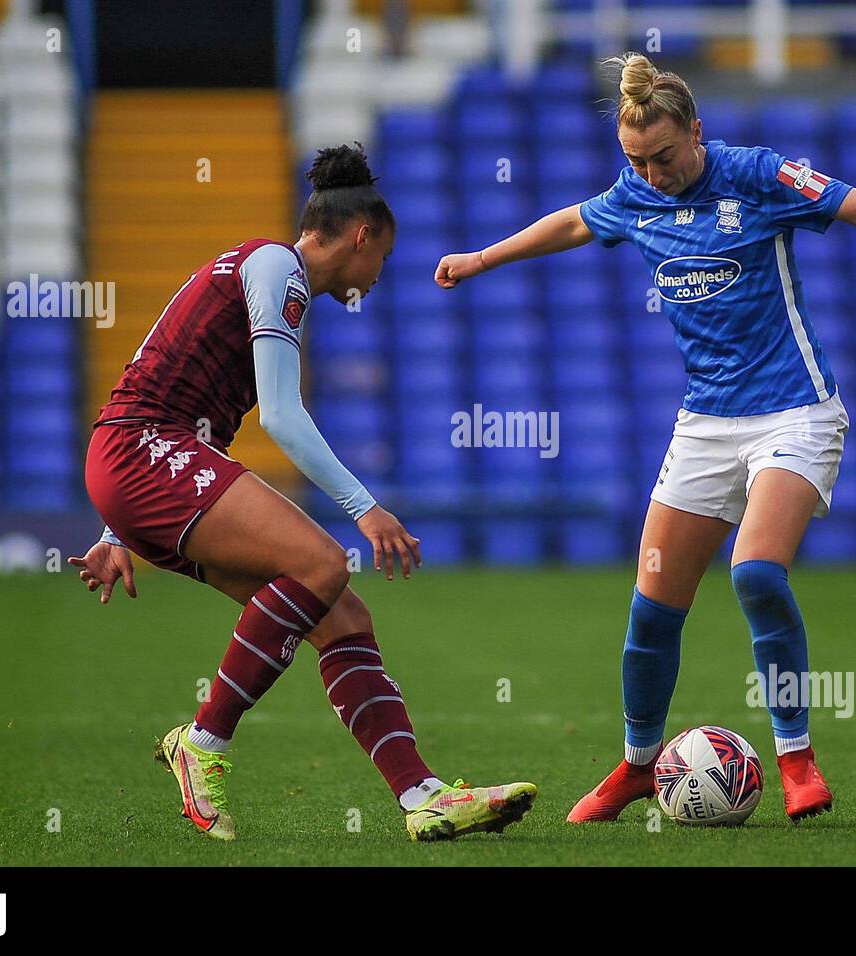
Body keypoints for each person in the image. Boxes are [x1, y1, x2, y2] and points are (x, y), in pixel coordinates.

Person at [434, 55, 856, 823]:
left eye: (664, 157)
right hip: (705, 425)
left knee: (756, 574)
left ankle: (796, 757)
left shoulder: (758, 176)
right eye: (635, 161)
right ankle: (637, 768)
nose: (651, 174)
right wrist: (481, 258)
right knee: (652, 611)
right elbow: (572, 221)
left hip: (795, 413)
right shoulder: (634, 193)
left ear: (696, 133)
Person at [71, 143, 537, 842]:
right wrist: (366, 509)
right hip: (144, 453)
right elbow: (280, 415)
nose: (379, 276)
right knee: (322, 564)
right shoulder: (280, 269)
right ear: (361, 235)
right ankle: (203, 743)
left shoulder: (263, 271)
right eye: (383, 257)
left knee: (343, 618)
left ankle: (423, 796)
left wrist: (116, 529)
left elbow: (170, 383)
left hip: (142, 461)